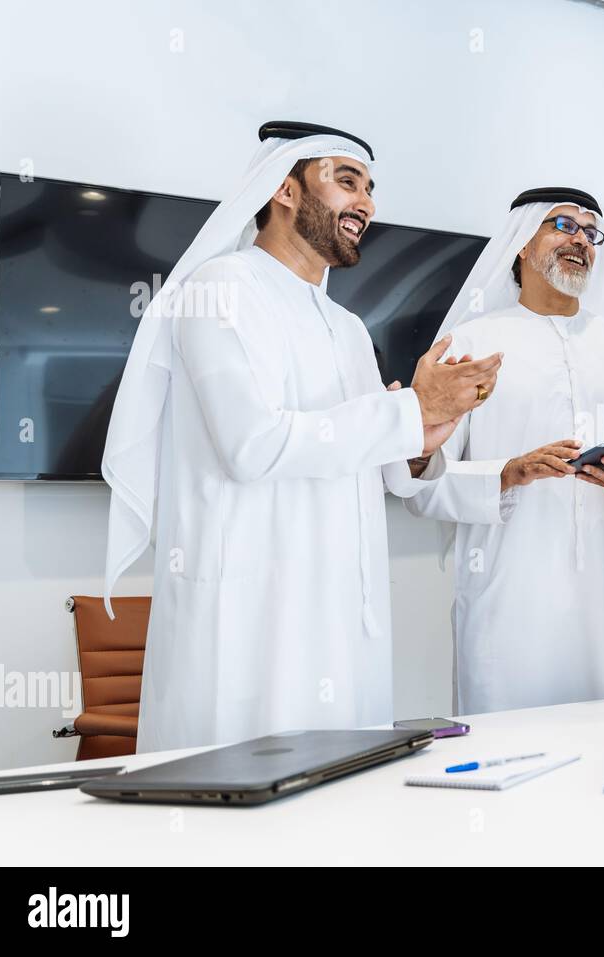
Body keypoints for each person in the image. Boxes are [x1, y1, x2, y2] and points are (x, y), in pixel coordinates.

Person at [102, 121, 500, 751]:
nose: (366, 204)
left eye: (370, 188)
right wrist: (406, 414)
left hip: (343, 619)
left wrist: (426, 433)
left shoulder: (347, 327)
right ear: (284, 190)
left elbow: (382, 467)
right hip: (251, 620)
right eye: (347, 181)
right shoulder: (220, 290)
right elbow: (251, 445)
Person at [403, 187, 604, 713]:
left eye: (590, 232)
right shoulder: (470, 344)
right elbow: (422, 482)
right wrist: (507, 473)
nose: (581, 240)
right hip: (512, 606)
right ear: (520, 244)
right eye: (563, 226)